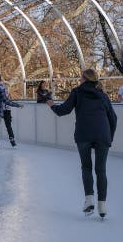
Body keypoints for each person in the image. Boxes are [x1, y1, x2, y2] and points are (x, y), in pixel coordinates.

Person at [46, 69, 117, 218]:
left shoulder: (77, 92)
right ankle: (102, 206)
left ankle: (89, 200)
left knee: (86, 167)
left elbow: (63, 110)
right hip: (102, 134)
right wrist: (109, 136)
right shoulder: (102, 95)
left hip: (84, 134)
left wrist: (52, 105)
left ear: (85, 79)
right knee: (101, 170)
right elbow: (113, 117)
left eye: (80, 78)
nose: (79, 80)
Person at [0, 74, 19, 147]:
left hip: (0, 109)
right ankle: (12, 139)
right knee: (8, 125)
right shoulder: (5, 87)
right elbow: (7, 97)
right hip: (7, 108)